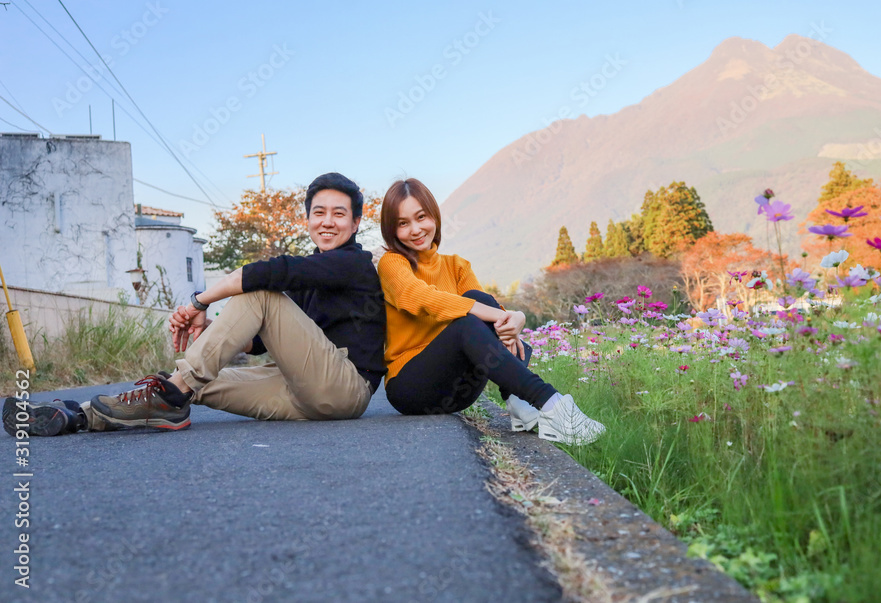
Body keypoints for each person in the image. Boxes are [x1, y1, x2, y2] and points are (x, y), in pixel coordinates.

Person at [3, 173, 386, 437]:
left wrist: (199, 302)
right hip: (301, 391)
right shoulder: (317, 271)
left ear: (354, 224)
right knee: (190, 383)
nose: (328, 222)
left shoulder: (353, 263)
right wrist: (214, 332)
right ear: (306, 220)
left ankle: (170, 395)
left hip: (343, 389)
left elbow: (269, 276)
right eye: (319, 213)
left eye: (339, 214)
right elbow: (264, 344)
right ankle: (77, 415)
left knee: (260, 292)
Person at [376, 178, 604, 446]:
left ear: (433, 216)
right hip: (411, 388)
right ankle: (552, 405)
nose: (415, 229)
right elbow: (418, 297)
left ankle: (518, 402)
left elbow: (487, 308)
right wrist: (501, 316)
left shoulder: (457, 265)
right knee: (467, 322)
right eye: (403, 223)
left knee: (478, 299)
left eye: (421, 217)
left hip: (459, 390)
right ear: (392, 229)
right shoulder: (391, 263)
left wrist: (515, 317)